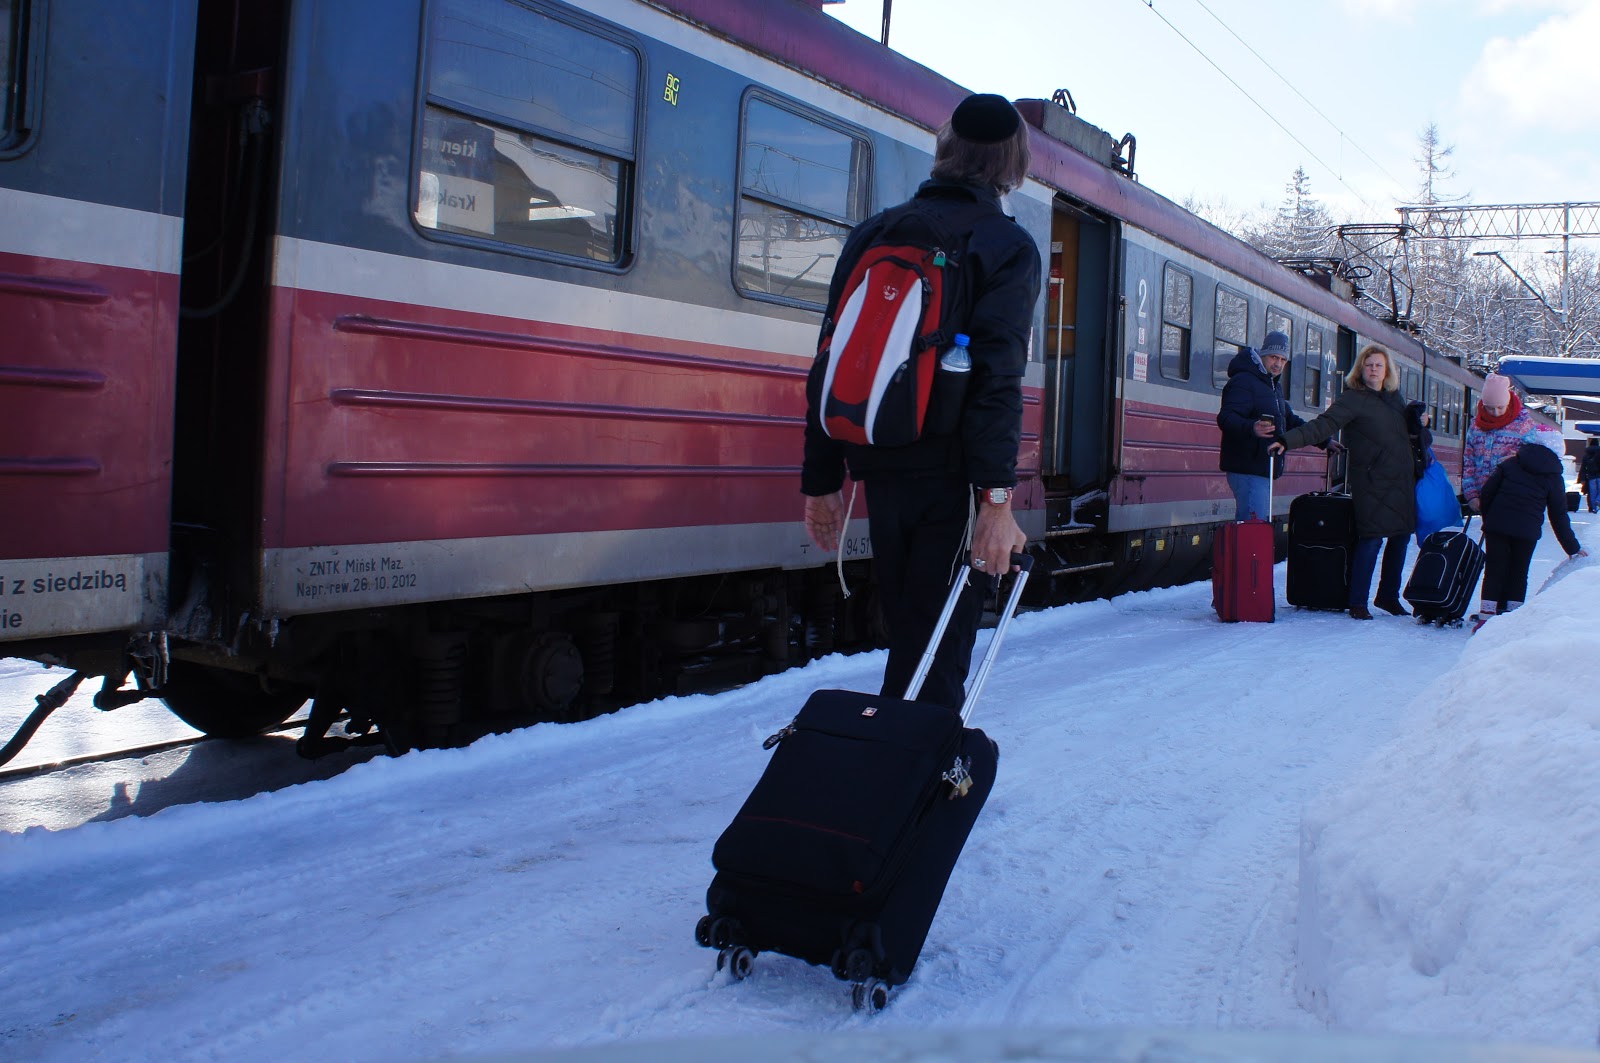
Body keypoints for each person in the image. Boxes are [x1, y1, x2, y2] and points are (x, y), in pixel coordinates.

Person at [801, 93, 1041, 711]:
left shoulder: (873, 233)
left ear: (946, 151)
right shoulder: (1004, 245)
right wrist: (995, 500)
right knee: (936, 640)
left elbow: (830, 356)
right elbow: (995, 381)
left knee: (912, 632)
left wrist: (822, 479)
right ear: (1011, 165)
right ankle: (907, 783)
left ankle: (895, 764)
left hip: (880, 462)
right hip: (950, 475)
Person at [1270, 345, 1417, 620]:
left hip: (1401, 481)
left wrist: (1420, 424)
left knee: (1400, 538)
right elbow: (1322, 425)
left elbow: (1410, 439)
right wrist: (1286, 440)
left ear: (1387, 371)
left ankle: (1388, 597)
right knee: (1371, 540)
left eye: (1379, 365)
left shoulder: (1396, 400)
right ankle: (1358, 601)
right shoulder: (1353, 399)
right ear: (1360, 369)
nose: (1373, 369)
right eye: (1369, 365)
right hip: (1372, 482)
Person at [1215, 331, 1333, 519]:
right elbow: (1226, 417)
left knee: (1254, 528)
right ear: (1262, 355)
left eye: (1283, 360)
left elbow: (1290, 421)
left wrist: (1324, 441)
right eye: (1273, 357)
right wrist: (1251, 427)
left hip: (1261, 468)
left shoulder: (1272, 386)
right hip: (1247, 468)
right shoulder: (1244, 381)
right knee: (1253, 530)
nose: (1278, 364)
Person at [1473, 440, 1588, 631]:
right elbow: (1558, 514)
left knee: (1494, 571)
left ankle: (1485, 618)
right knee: (1519, 573)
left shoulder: (1509, 464)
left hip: (1497, 527)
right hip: (1527, 531)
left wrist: (1490, 518)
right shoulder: (1553, 476)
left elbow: (1487, 493)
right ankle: (1512, 618)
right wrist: (1572, 547)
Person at [1461, 372, 1563, 513]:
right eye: (1490, 408)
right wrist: (1471, 494)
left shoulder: (1523, 425)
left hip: (1512, 497)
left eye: (1500, 407)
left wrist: (1519, 458)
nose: (1496, 413)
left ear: (1508, 403)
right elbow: (1469, 462)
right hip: (1483, 498)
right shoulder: (1475, 426)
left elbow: (1537, 461)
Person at [1579, 437, 1600, 514]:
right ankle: (1598, 501)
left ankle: (1594, 508)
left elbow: (1583, 467)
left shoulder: (1586, 455)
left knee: (1592, 493)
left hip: (1591, 476)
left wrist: (1581, 478)